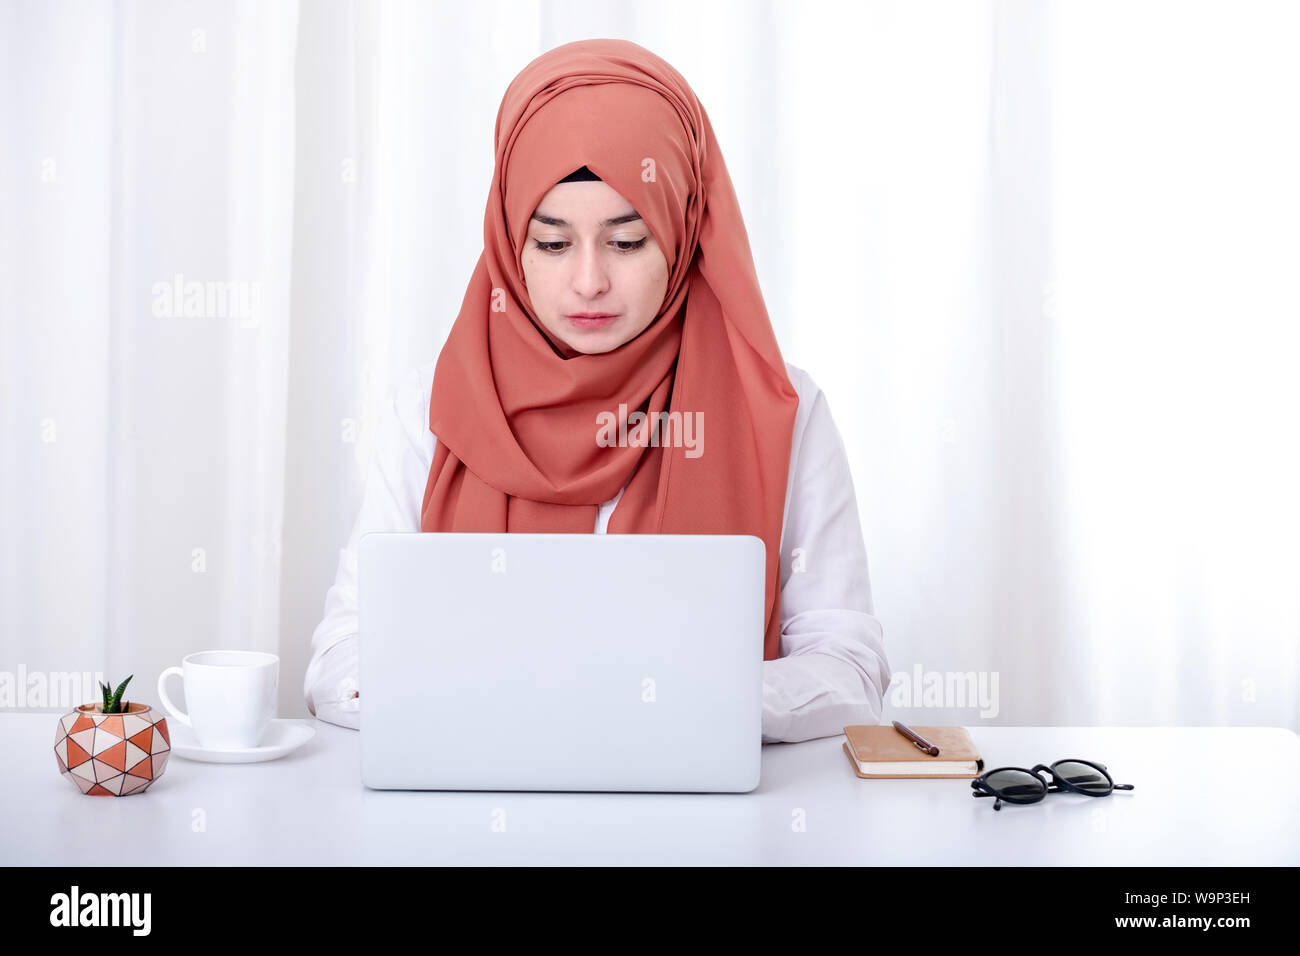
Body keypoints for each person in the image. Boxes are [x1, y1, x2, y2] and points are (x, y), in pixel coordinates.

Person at [304, 38, 890, 743]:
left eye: (627, 241)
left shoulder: (782, 411)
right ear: (508, 243)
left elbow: (848, 665)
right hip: (472, 821)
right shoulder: (436, 409)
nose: (588, 283)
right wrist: (477, 700)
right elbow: (341, 654)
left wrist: (681, 701)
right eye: (552, 244)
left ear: (682, 232)